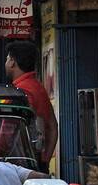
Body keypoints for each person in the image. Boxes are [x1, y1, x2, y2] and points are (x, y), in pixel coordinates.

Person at [5, 41, 58, 172]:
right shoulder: (38, 88)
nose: (5, 63)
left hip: (19, 167)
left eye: (7, 59)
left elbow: (8, 130)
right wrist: (45, 160)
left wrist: (0, 155)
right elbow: (53, 127)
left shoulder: (20, 92)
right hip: (38, 162)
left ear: (12, 62)